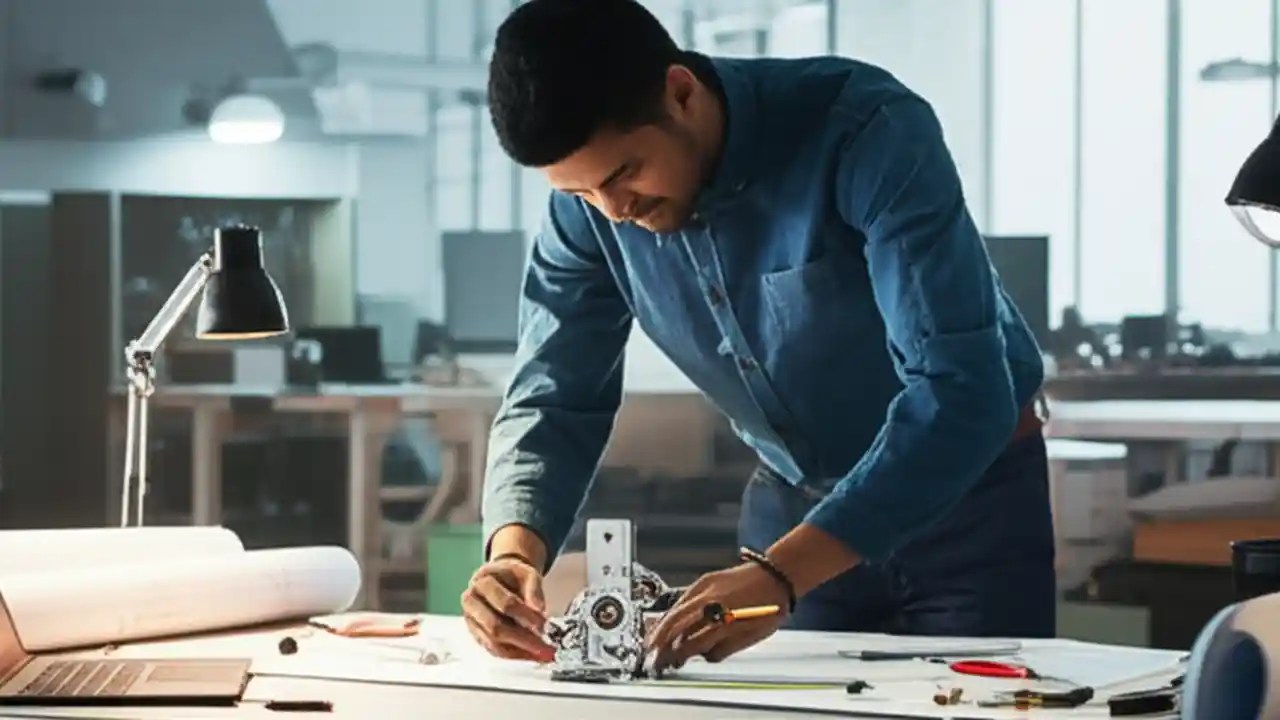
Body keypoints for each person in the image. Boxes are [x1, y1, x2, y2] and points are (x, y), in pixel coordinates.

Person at [462, 0, 1055, 672]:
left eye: (624, 174)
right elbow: (553, 395)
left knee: (988, 708)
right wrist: (514, 552)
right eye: (581, 192)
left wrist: (781, 575)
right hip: (792, 502)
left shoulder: (867, 129)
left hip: (967, 499)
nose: (614, 212)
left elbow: (963, 391)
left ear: (680, 91)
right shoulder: (589, 211)